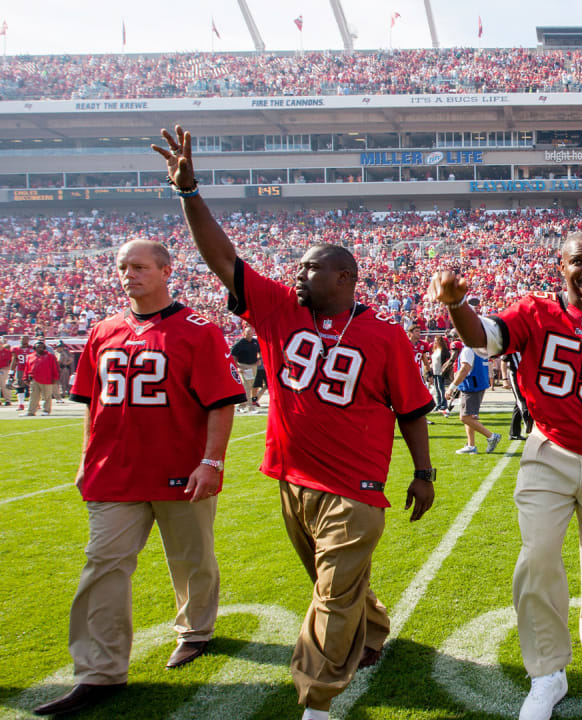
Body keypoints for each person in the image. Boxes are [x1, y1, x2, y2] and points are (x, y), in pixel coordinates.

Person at [154, 125, 438, 720]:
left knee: (331, 596)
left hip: (355, 488)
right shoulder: (280, 310)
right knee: (334, 583)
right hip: (292, 478)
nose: (296, 275)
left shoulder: (385, 336)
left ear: (344, 278)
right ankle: (376, 631)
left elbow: (411, 409)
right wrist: (189, 193)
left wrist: (424, 472)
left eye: (308, 269)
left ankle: (314, 700)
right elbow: (223, 259)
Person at [429, 230, 582, 720]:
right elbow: (485, 337)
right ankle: (547, 670)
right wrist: (457, 305)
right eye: (577, 261)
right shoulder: (535, 311)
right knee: (537, 556)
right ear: (560, 268)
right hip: (550, 449)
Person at [33, 239, 246, 717]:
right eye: (123, 267)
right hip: (114, 472)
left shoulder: (198, 330)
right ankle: (99, 671)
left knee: (192, 560)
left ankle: (195, 631)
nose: (130, 274)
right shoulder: (103, 330)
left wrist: (211, 462)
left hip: (179, 470)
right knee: (102, 566)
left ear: (166, 271)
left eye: (141, 266)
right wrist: (86, 458)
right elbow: (92, 404)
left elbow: (220, 403)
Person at [443, 339, 501, 454]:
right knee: (470, 417)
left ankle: (491, 436)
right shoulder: (479, 348)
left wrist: (452, 387)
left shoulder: (468, 350)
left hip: (472, 386)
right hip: (478, 384)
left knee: (465, 417)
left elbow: (465, 369)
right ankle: (471, 445)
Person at [229, 325, 261, 414]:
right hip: (244, 366)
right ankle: (248, 407)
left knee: (251, 386)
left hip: (253, 366)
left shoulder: (255, 342)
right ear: (244, 333)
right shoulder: (240, 344)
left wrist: (259, 359)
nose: (250, 335)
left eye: (251, 333)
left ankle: (242, 406)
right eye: (248, 333)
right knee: (247, 387)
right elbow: (233, 356)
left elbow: (259, 352)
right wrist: (238, 367)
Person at [24, 338, 59, 416]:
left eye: (41, 347)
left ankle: (46, 410)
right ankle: (31, 411)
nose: (40, 348)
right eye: (38, 347)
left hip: (47, 379)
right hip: (34, 379)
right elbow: (27, 368)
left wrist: (55, 378)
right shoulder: (30, 356)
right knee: (33, 396)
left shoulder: (50, 356)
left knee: (47, 396)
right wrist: (25, 377)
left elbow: (55, 367)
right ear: (35, 348)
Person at [0, 340, 11, 405]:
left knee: (4, 385)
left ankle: (7, 400)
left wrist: (8, 368)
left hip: (4, 369)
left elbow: (10, 361)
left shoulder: (7, 352)